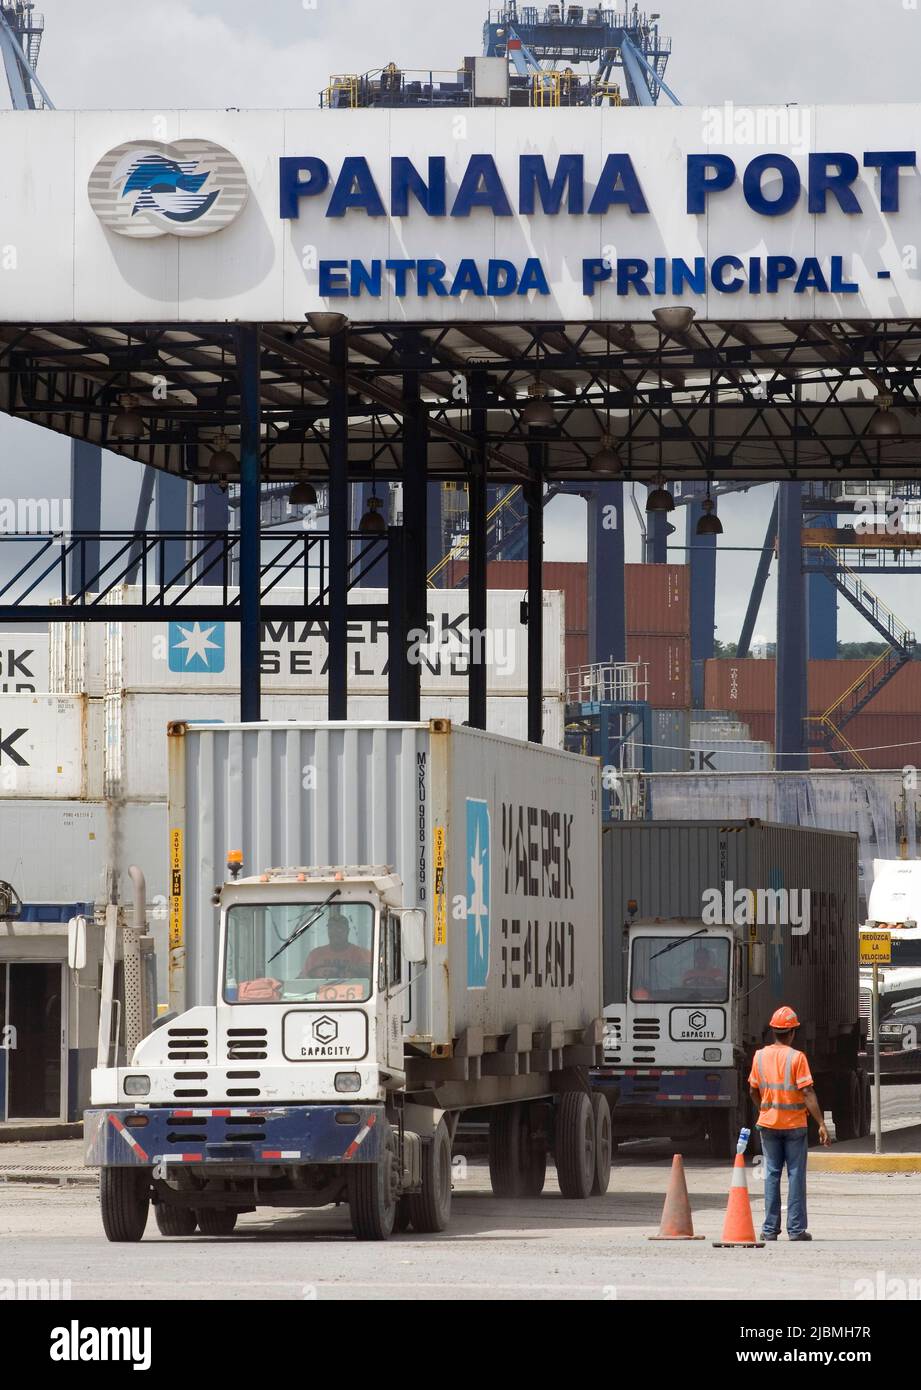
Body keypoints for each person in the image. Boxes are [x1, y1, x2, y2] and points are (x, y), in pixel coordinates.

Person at [748, 1005, 830, 1242]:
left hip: (769, 1125)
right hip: (794, 1126)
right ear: (793, 1032)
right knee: (795, 1176)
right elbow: (807, 1093)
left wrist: (764, 1108)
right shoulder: (797, 1058)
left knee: (771, 1175)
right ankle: (796, 1230)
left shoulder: (759, 1056)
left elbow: (752, 1090)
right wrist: (821, 1123)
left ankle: (769, 1230)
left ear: (773, 1031)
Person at [299, 911, 372, 980]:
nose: (335, 932)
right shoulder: (315, 955)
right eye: (331, 928)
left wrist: (354, 968)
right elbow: (302, 979)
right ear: (328, 931)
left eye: (339, 928)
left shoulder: (361, 954)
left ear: (347, 931)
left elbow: (372, 975)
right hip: (320, 992)